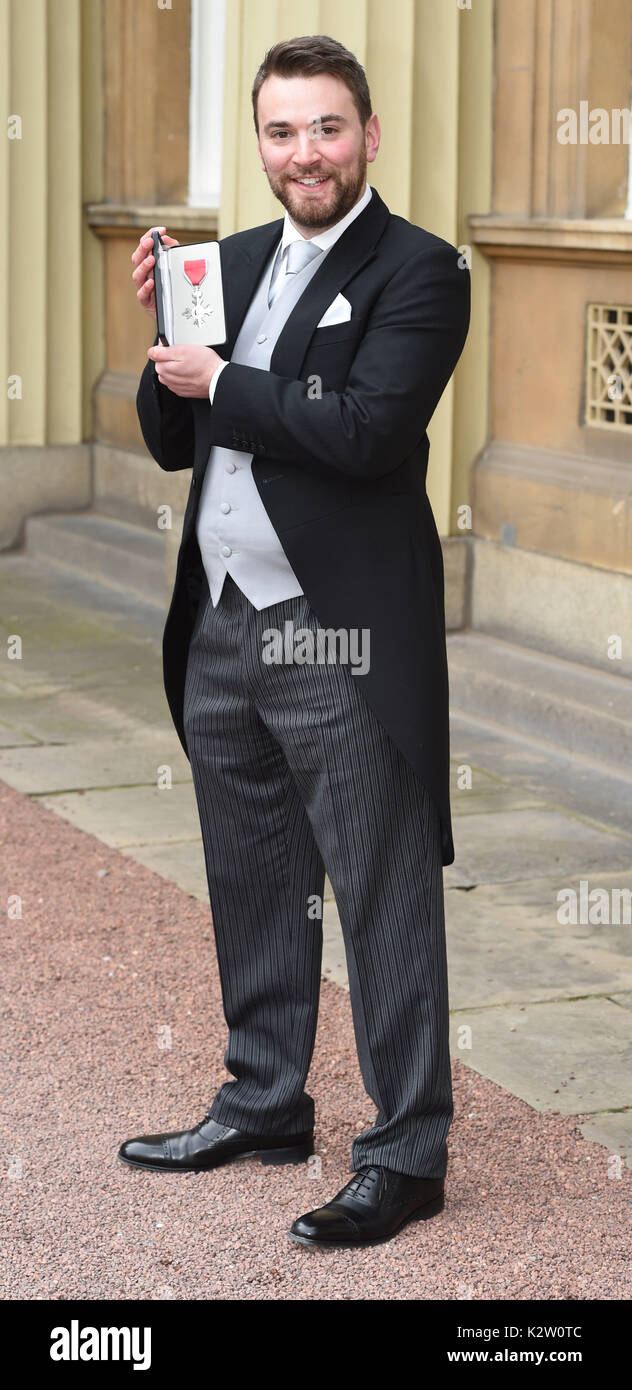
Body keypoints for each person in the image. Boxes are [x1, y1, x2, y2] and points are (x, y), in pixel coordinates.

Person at [119, 33, 470, 1249]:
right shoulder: (236, 260)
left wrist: (222, 379)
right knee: (253, 874)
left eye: (325, 127)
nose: (303, 152)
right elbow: (177, 434)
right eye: (280, 131)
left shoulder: (422, 271)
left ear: (368, 136)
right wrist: (169, 345)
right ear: (259, 143)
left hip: (335, 637)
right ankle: (265, 1101)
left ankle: (406, 1152)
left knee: (375, 890)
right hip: (220, 619)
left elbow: (367, 431)